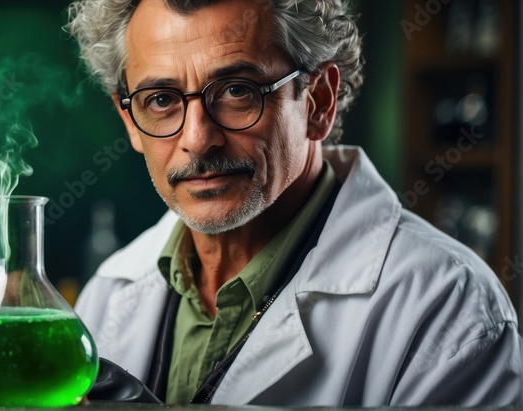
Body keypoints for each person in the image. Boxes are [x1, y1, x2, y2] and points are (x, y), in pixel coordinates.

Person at [67, 0, 522, 406]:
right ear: (129, 119)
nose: (198, 140)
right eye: (162, 100)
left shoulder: (450, 310)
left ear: (318, 101)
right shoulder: (108, 294)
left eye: (237, 90)